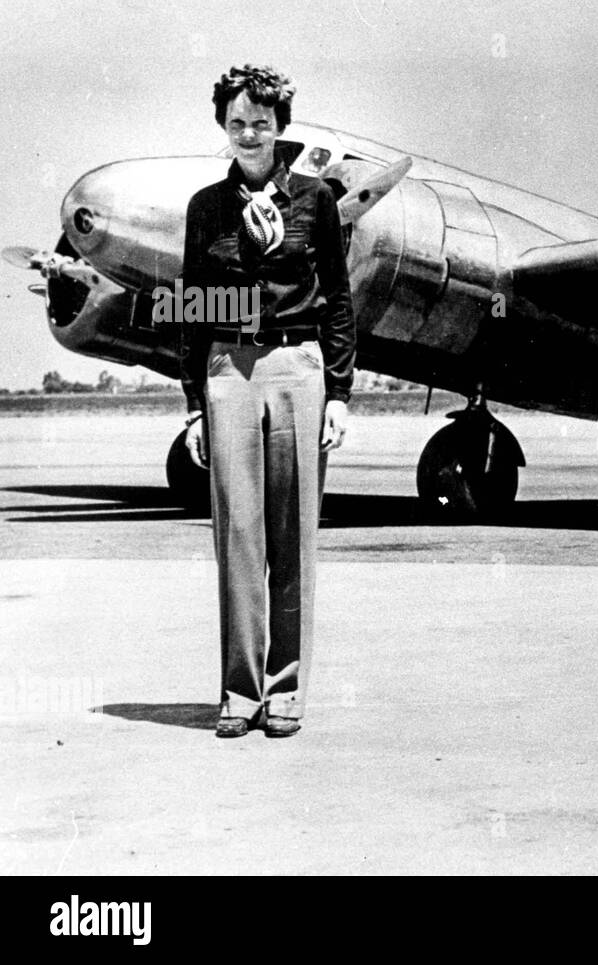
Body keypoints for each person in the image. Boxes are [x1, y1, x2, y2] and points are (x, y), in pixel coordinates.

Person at [178, 64, 356, 738]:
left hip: (298, 365)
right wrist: (194, 401)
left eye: (260, 122)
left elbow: (338, 302)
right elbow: (194, 308)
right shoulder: (205, 209)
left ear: (281, 125)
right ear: (223, 128)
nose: (248, 134)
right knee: (238, 537)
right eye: (236, 124)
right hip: (228, 367)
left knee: (292, 534)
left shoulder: (316, 203)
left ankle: (285, 689)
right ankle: (239, 690)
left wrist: (338, 392)